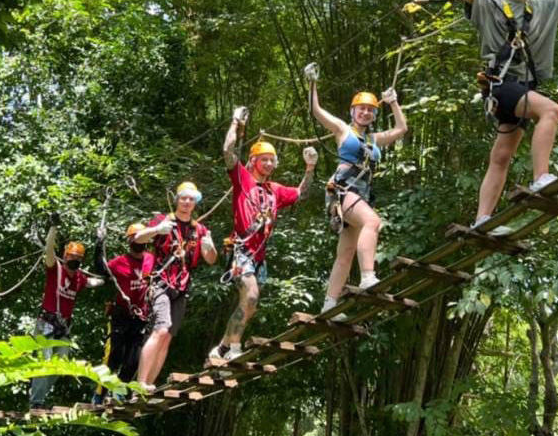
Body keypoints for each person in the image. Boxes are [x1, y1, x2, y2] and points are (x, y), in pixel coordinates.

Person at [458, 0, 558, 233]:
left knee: (501, 156)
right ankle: (541, 177)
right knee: (551, 110)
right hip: (501, 84)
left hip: (523, 88)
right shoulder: (491, 5)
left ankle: (482, 219)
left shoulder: (542, 7)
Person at [208, 108, 317, 364]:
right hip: (241, 251)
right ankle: (234, 349)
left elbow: (301, 193)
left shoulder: (275, 190)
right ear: (253, 161)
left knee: (250, 305)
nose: (268, 163)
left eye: (271, 160)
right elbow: (228, 151)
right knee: (251, 296)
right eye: (263, 159)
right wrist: (235, 122)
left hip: (259, 257)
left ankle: (222, 348)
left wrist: (310, 167)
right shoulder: (243, 180)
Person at [304, 63, 408, 315]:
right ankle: (368, 276)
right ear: (353, 111)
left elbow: (401, 129)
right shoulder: (343, 129)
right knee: (372, 222)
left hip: (361, 195)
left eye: (370, 110)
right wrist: (312, 83)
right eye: (361, 108)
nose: (366, 112)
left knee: (346, 252)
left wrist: (393, 102)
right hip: (342, 190)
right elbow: (316, 110)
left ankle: (329, 304)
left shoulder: (374, 139)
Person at [133, 181, 218, 390]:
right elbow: (138, 238)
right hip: (161, 282)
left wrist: (210, 247)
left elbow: (210, 259)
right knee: (161, 329)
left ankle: (149, 384)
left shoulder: (199, 229)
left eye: (191, 199)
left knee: (167, 337)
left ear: (195, 202)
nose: (187, 202)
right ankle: (140, 382)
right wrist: (157, 230)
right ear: (177, 200)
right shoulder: (164, 220)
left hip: (182, 286)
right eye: (183, 198)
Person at [29, 217, 104, 409]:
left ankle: (39, 395)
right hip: (46, 323)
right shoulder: (55, 270)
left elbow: (94, 282)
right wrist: (53, 227)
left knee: (59, 367)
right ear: (65, 256)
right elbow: (49, 250)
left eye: (78, 258)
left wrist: (107, 277)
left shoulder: (79, 278)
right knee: (46, 363)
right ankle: (36, 402)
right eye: (71, 257)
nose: (74, 261)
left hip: (63, 328)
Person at [91, 223, 156, 404]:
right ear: (129, 241)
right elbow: (101, 269)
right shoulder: (119, 262)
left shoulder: (151, 259)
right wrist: (99, 244)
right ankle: (100, 394)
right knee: (114, 357)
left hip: (141, 318)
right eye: (134, 239)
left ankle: (119, 392)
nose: (138, 242)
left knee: (134, 360)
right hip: (121, 316)